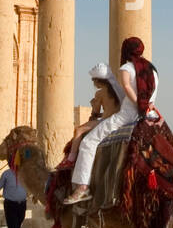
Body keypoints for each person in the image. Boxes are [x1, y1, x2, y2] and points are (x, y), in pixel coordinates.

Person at [66, 39, 160, 204]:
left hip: (128, 115)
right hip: (150, 114)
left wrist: (140, 104)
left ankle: (82, 187)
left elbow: (127, 87)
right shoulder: (152, 70)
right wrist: (147, 107)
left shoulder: (126, 68)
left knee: (88, 142)